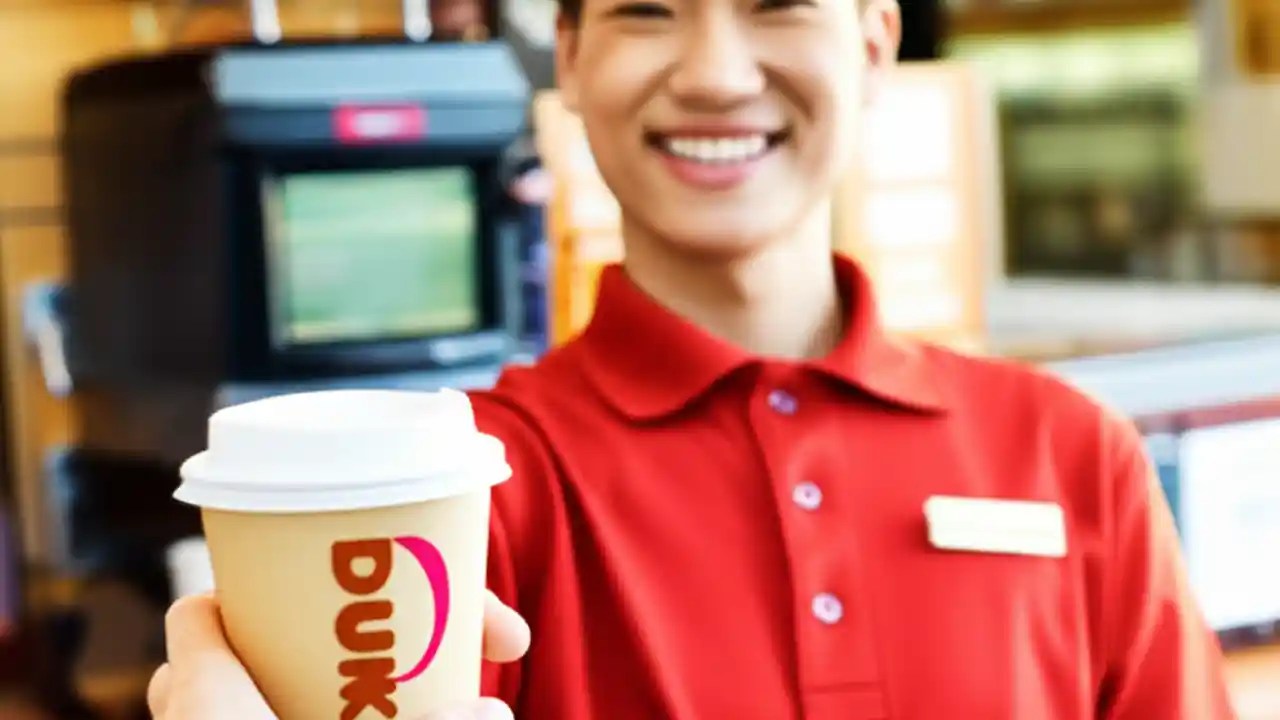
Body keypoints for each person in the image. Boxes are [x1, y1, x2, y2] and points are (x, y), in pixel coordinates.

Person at [149, 0, 1236, 718]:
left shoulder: (1065, 450)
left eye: (776, 3)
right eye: (644, 10)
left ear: (871, 42)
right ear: (568, 59)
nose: (715, 73)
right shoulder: (465, 483)